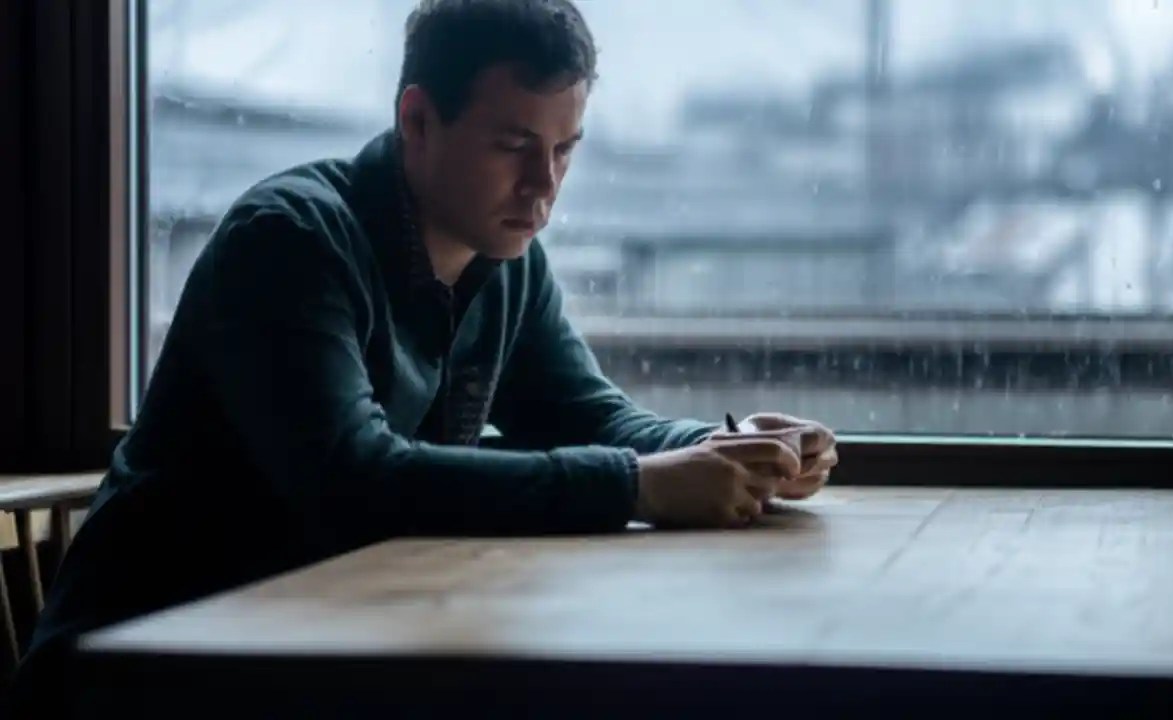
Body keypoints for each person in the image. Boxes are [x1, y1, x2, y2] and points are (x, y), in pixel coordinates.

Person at [8, 0, 838, 712]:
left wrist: (731, 450)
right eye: (514, 145)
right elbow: (355, 479)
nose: (545, 186)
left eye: (566, 148)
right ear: (416, 121)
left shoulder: (507, 262)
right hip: (134, 671)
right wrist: (633, 484)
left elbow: (591, 415)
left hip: (314, 648)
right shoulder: (291, 240)